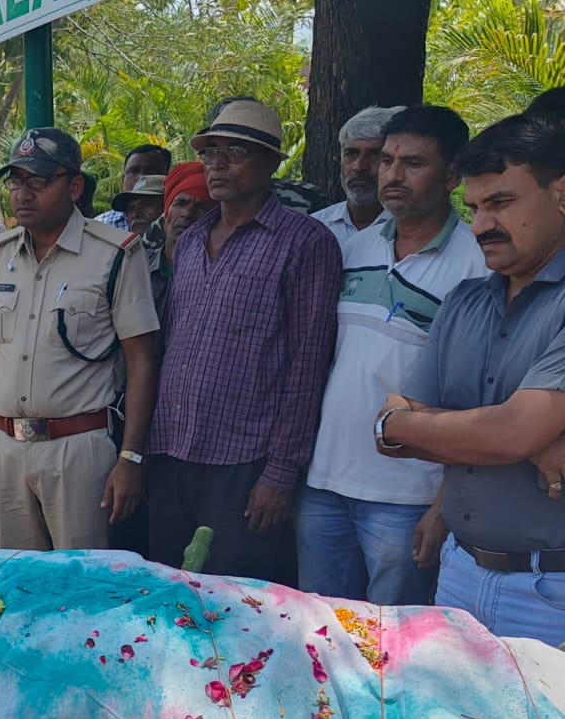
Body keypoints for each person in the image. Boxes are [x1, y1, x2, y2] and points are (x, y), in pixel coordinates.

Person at [375, 112, 565, 642]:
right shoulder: (464, 301)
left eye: (501, 203)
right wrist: (519, 437)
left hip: (550, 592)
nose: (481, 225)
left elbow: (506, 432)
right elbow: (394, 417)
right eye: (475, 208)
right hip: (458, 575)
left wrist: (418, 425)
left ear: (562, 195)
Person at [147, 97, 343, 582]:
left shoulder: (305, 242)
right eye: (211, 151)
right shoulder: (190, 241)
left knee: (237, 606)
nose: (218, 164)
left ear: (271, 164)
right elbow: (171, 345)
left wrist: (280, 472)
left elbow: (308, 364)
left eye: (236, 152)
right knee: (168, 592)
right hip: (172, 450)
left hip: (246, 461)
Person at [298, 106, 485, 605]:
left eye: (413, 164)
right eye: (386, 161)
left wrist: (442, 506)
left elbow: (475, 402)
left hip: (407, 497)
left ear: (451, 177)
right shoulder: (353, 250)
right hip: (323, 484)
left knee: (391, 651)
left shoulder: (477, 269)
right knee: (319, 638)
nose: (392, 175)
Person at [0, 128, 159, 552]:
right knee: (17, 581)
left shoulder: (115, 254)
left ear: (75, 186)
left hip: (79, 449)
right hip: (4, 446)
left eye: (40, 180)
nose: (23, 193)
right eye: (16, 181)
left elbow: (141, 362)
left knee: (84, 584)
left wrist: (130, 458)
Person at [312, 106, 404, 244]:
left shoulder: (410, 229)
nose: (360, 167)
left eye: (375, 154)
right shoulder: (314, 228)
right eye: (352, 153)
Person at [146, 162, 213, 322]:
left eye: (201, 206)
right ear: (167, 212)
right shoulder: (137, 265)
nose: (187, 213)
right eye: (180, 203)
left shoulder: (217, 275)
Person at [95, 144, 172, 229]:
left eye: (150, 171)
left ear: (168, 177)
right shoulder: (101, 225)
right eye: (133, 171)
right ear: (123, 180)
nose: (141, 177)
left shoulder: (180, 221)